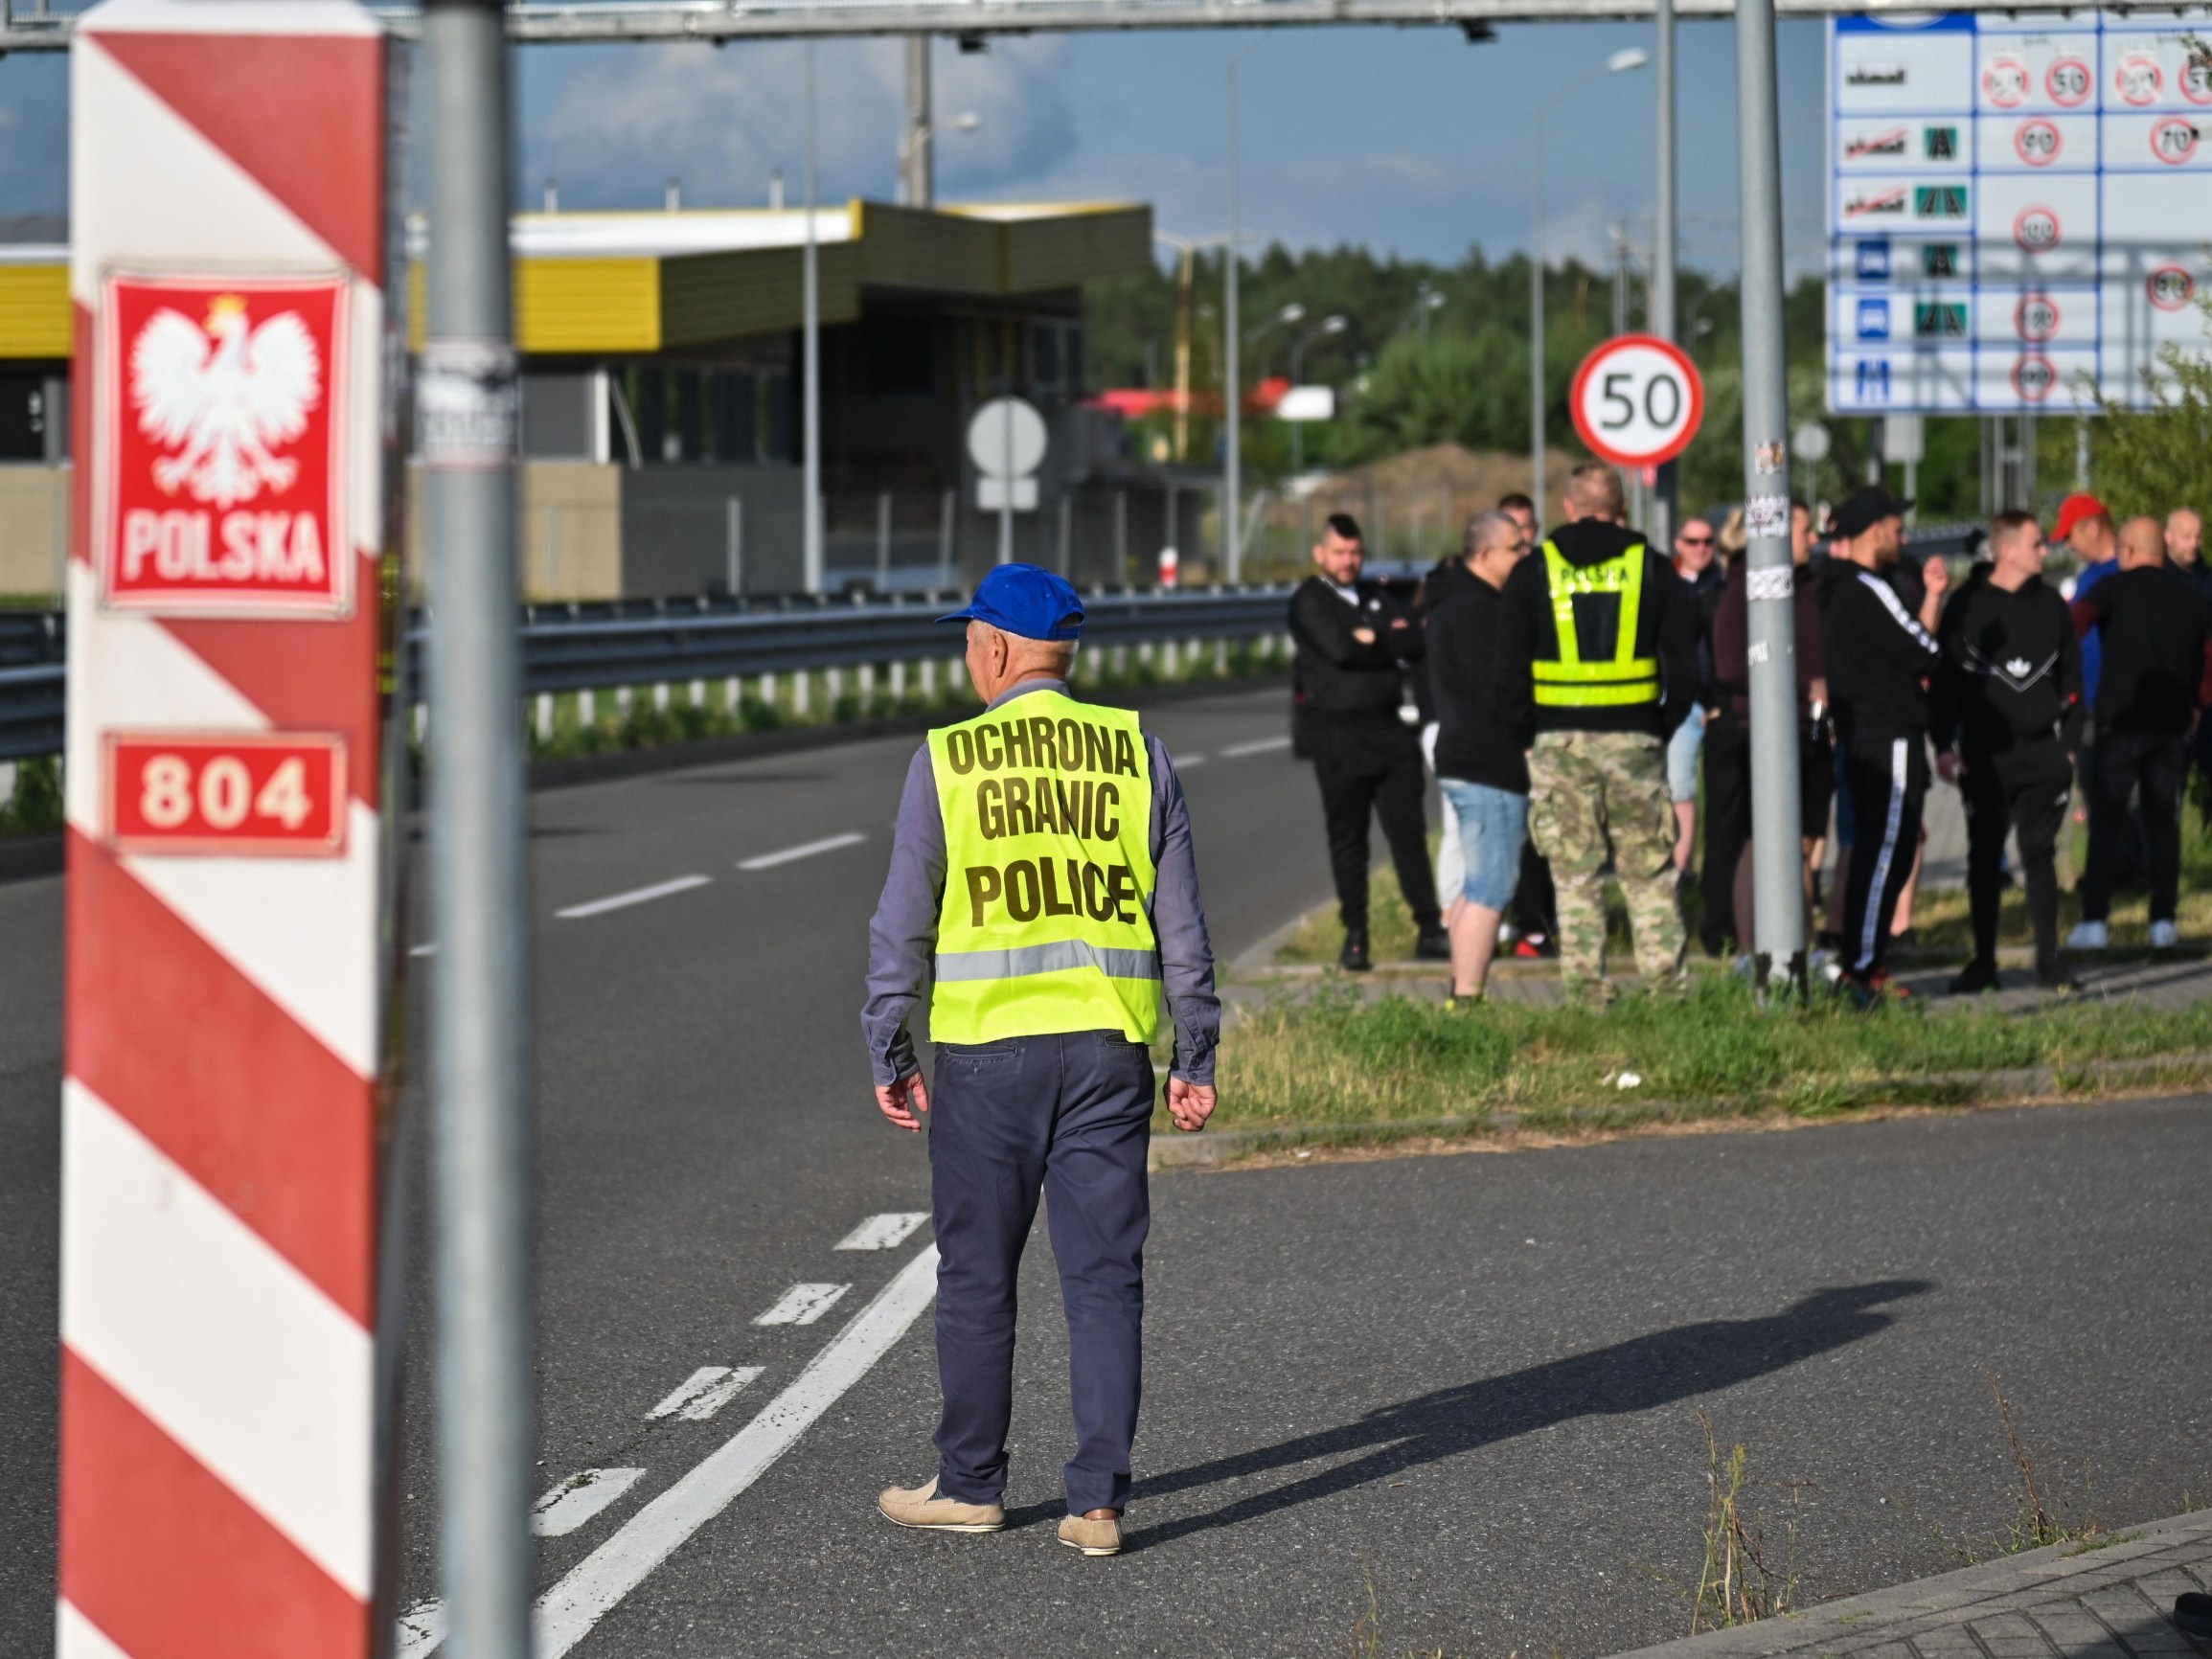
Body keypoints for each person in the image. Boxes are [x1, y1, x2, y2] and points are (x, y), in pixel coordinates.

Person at [861, 563, 1220, 1558]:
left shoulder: (948, 757)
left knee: (978, 1274)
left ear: (994, 647)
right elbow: (1182, 927)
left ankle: (970, 1485)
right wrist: (1194, 1051)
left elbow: (904, 920)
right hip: (1108, 1051)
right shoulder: (1136, 751)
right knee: (1104, 1278)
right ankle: (1096, 1504)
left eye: (966, 640)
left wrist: (888, 1041)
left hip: (986, 1055)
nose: (964, 657)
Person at [1497, 461, 1698, 1003]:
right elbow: (1686, 666)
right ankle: (1667, 993)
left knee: (1574, 875)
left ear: (1568, 508)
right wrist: (1659, 726)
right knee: (1649, 872)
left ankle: (1589, 997)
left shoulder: (1535, 570)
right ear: (1622, 508)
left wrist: (1529, 734)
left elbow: (1507, 668)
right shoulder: (1653, 567)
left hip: (1559, 743)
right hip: (1636, 740)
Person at [1930, 511, 2083, 992]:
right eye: (2037, 544)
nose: (2045, 551)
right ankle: (1983, 964)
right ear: (2008, 550)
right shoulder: (1967, 604)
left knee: (2039, 855)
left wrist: (2069, 748)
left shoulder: (2051, 605)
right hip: (1984, 753)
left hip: (2042, 753)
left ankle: (2049, 963)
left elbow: (2073, 680)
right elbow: (1944, 682)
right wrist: (1944, 745)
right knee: (1984, 857)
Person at [1288, 512, 1448, 970]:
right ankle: (1356, 935)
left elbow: (1415, 642)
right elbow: (1339, 649)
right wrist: (1384, 639)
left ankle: (1430, 928)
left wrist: (1371, 637)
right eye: (1340, 552)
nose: (1349, 560)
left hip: (1390, 730)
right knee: (1349, 838)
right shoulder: (1309, 600)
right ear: (1320, 553)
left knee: (1409, 833)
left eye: (1356, 552)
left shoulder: (1376, 595)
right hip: (1339, 734)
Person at [1818, 486, 1945, 1003]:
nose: (1903, 539)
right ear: (1874, 531)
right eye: (1897, 529)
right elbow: (1924, 648)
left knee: (1880, 847)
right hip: (1887, 731)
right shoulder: (1867, 586)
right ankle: (1862, 967)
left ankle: (1865, 960)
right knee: (1887, 847)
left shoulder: (1837, 587)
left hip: (1865, 731)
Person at [2066, 516, 2212, 951]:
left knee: (2107, 822)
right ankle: (2163, 921)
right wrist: (2199, 705)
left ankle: (2095, 921)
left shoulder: (2111, 589)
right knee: (2162, 822)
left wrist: (2069, 688)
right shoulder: (2192, 595)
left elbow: (2075, 624)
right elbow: (2210, 656)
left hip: (2120, 721)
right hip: (2171, 726)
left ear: (2128, 551)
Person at [1702, 499, 1830, 961]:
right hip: (1764, 730)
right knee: (1764, 842)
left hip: (1809, 728)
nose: (1813, 540)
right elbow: (1737, 662)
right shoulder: (1747, 587)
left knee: (1805, 841)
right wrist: (1800, 685)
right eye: (1803, 530)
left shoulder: (1808, 586)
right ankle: (1756, 952)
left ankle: (1799, 949)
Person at [1426, 510, 1535, 1005]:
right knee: (1491, 888)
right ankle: (1467, 998)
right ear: (1487, 554)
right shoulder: (1479, 611)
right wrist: (1529, 732)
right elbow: (1498, 692)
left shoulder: (1457, 602)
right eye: (1517, 547)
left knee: (1477, 887)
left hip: (1468, 760)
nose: (1525, 554)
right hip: (1488, 765)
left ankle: (1462, 992)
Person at [1494, 490, 1558, 956]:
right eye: (1512, 531)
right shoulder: (1487, 587)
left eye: (1527, 530)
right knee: (1504, 833)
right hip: (1502, 728)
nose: (1522, 540)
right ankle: (1513, 923)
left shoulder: (1546, 577)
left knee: (1543, 831)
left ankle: (1538, 925)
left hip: (1543, 724)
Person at [1668, 515, 1723, 887]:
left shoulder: (1723, 584)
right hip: (1681, 700)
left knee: (1717, 788)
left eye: (1707, 541)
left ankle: (1708, 864)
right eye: (1693, 541)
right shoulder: (1666, 586)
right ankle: (1681, 866)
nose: (1701, 548)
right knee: (1680, 784)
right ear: (1679, 544)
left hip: (1717, 699)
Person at [2165, 507, 2206, 591]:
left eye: (2198, 537)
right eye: (2186, 537)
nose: (2194, 544)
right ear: (2169, 537)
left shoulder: (2207, 578)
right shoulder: (2157, 579)